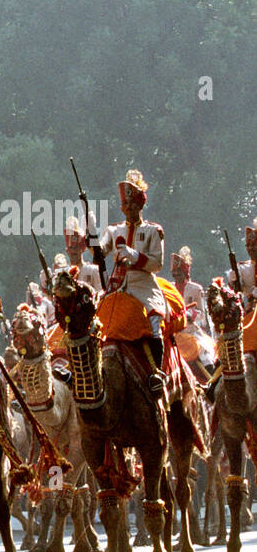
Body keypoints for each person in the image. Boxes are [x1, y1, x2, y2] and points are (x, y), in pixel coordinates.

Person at [98, 169, 166, 394]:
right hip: (118, 287)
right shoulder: (113, 230)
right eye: (124, 206)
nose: (127, 210)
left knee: (154, 322)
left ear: (140, 205)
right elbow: (99, 254)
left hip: (143, 286)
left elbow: (157, 264)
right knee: (96, 325)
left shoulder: (152, 231)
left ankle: (157, 373)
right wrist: (91, 238)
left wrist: (134, 256)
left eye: (131, 205)